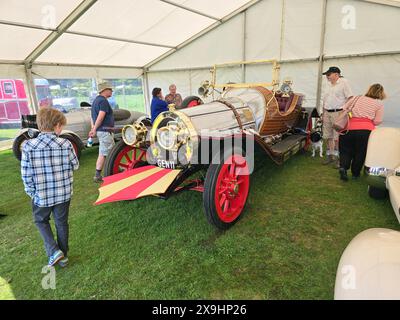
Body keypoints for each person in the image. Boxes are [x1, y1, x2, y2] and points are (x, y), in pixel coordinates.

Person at [21, 107, 79, 267]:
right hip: (63, 193)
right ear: (58, 125)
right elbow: (75, 165)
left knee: (41, 221)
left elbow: (26, 174)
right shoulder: (66, 143)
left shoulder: (28, 146)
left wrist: (31, 192)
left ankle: (54, 251)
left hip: (41, 195)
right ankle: (63, 255)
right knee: (61, 223)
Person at [338, 84, 385, 181]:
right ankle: (355, 174)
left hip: (349, 128)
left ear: (369, 90)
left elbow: (344, 109)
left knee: (345, 149)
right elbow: (377, 121)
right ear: (381, 93)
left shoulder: (356, 98)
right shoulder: (379, 105)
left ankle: (343, 167)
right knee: (360, 152)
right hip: (366, 131)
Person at [321, 67, 353, 167]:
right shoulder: (327, 84)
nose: (327, 77)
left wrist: (344, 111)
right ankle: (331, 156)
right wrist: (323, 112)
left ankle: (340, 159)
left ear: (336, 74)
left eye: (329, 75)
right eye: (326, 75)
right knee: (328, 136)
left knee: (338, 137)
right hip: (327, 112)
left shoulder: (344, 82)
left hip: (338, 112)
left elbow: (350, 97)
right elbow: (325, 99)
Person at [89, 81, 115, 183]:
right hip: (105, 131)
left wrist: (93, 128)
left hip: (101, 131)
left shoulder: (95, 101)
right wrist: (94, 129)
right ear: (104, 90)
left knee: (102, 153)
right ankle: (112, 172)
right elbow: (101, 116)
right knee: (111, 153)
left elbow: (92, 117)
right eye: (110, 89)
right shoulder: (103, 101)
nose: (111, 91)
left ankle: (97, 174)